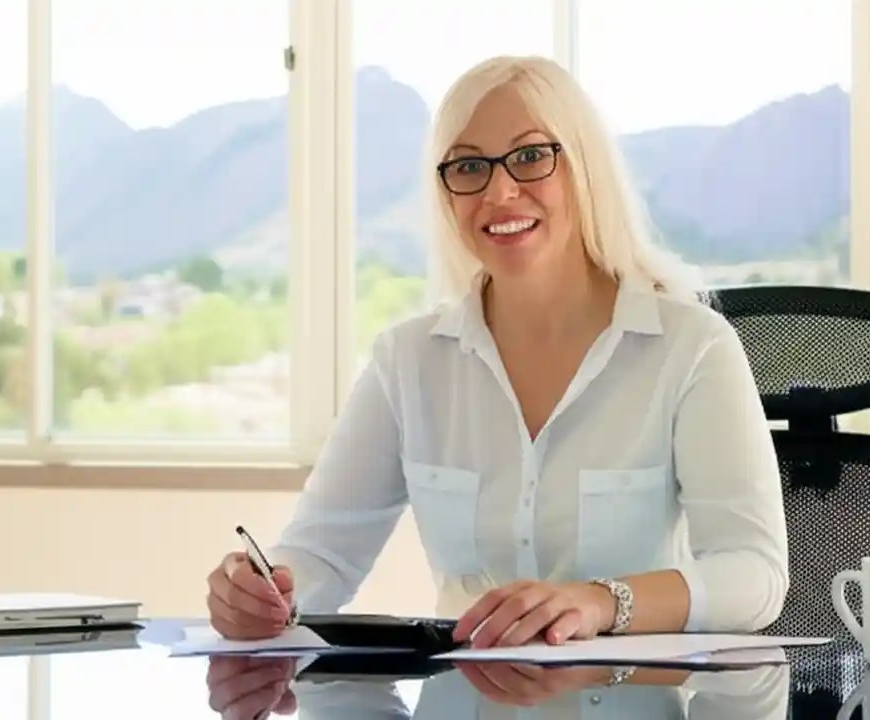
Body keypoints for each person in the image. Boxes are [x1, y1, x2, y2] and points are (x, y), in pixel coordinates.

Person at [206, 54, 788, 653]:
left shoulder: (691, 346)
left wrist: (599, 600)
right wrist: (266, 593)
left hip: (627, 699)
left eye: (531, 156)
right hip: (466, 694)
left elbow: (754, 574)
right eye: (468, 166)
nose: (499, 191)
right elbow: (320, 552)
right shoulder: (406, 361)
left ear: (584, 167)